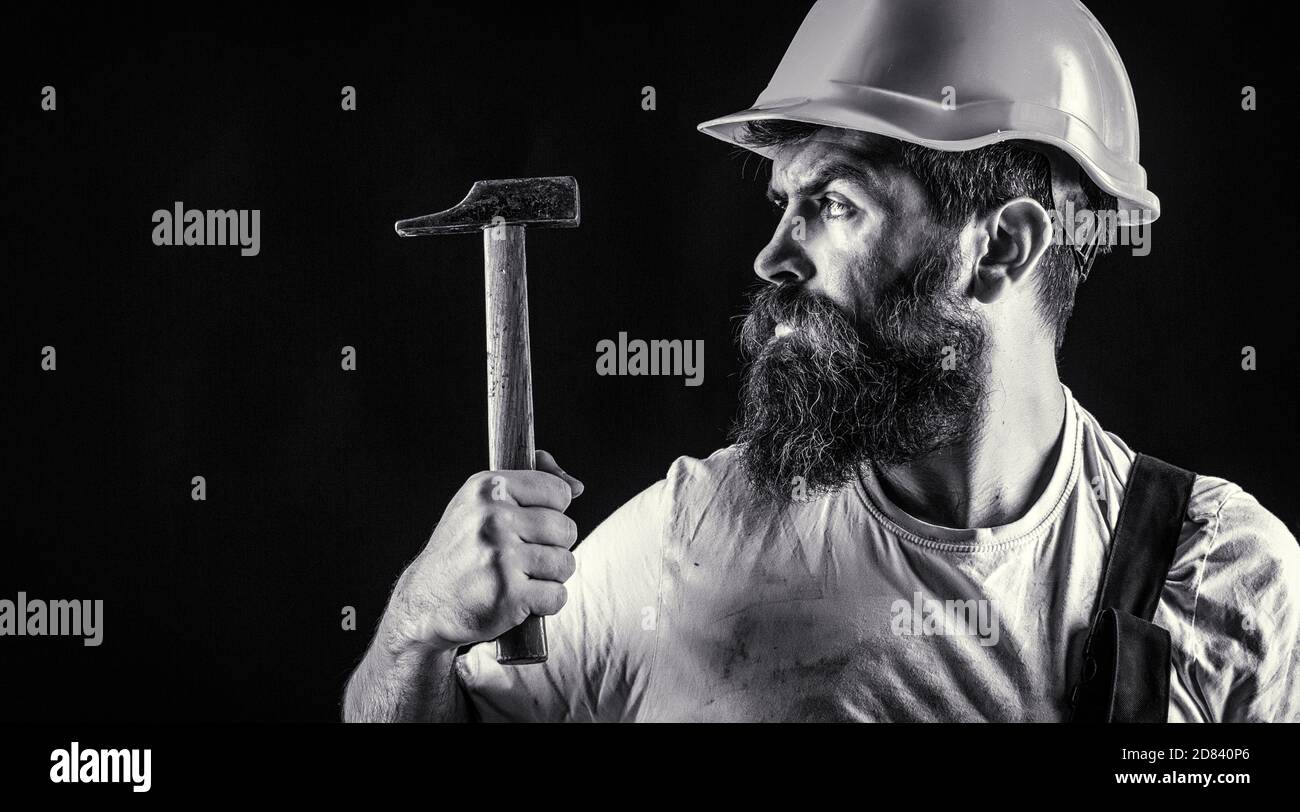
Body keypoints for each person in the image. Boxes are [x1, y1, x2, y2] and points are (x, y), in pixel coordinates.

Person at [343, 0, 1299, 722]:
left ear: (1002, 246)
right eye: (782, 203)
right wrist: (422, 622)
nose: (772, 257)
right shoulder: (691, 537)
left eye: (836, 203)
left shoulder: (1214, 578)